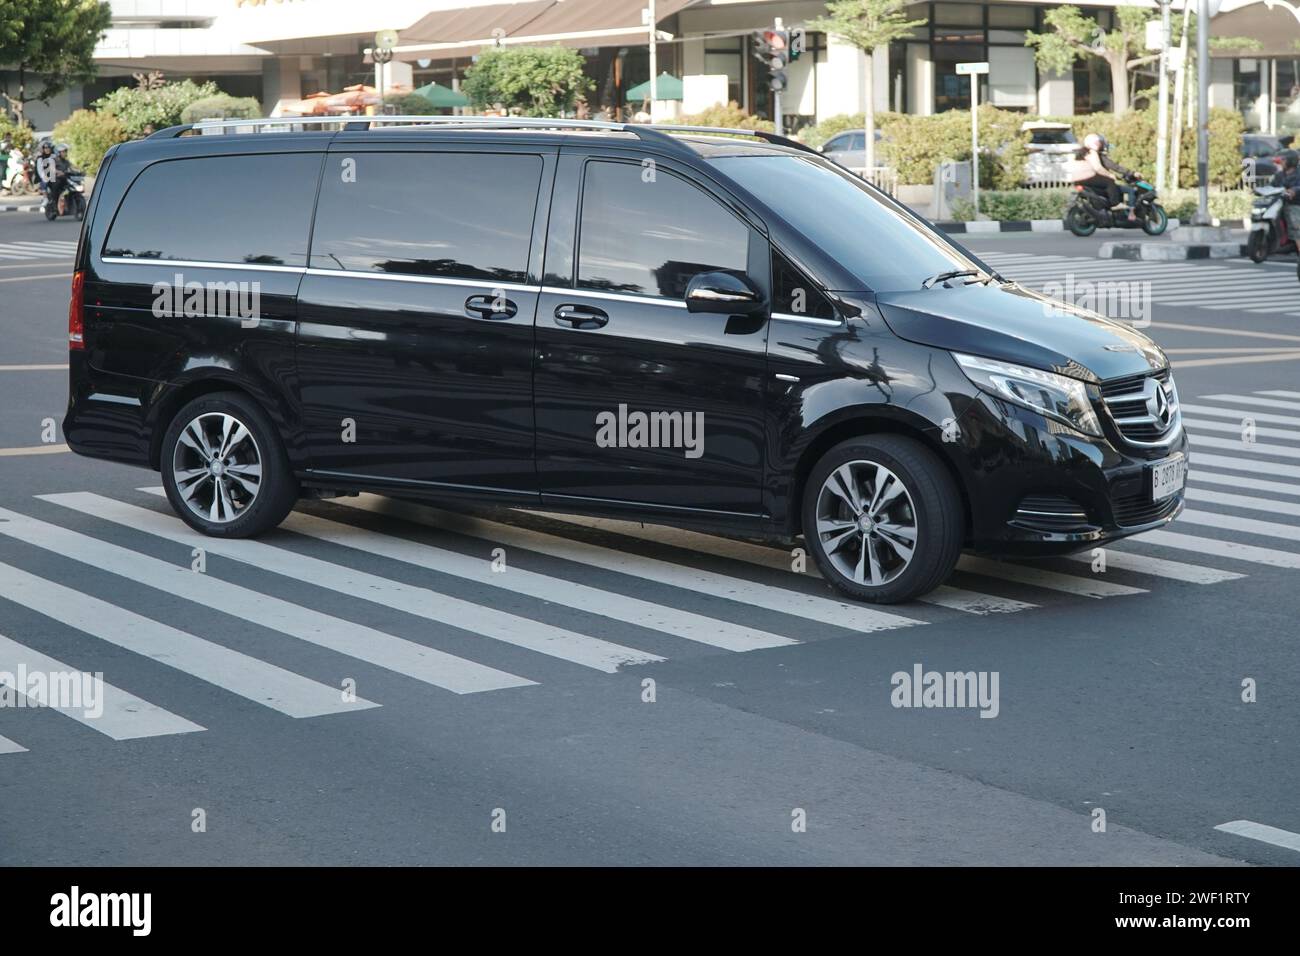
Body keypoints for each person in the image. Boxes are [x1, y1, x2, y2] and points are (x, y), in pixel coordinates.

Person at [1081, 132, 1137, 221]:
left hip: (1087, 181)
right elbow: (1112, 167)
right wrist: (1131, 173)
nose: (1101, 145)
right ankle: (1130, 213)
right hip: (1097, 182)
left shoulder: (1085, 153)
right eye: (1100, 143)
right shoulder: (1096, 155)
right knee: (1129, 190)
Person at [1271, 148, 1300, 240]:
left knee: (1296, 227)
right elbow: (1271, 186)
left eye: (1283, 159)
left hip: (1295, 203)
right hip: (1280, 203)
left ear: (1291, 161)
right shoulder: (1279, 175)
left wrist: (1294, 190)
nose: (1280, 162)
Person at [34, 138, 57, 210]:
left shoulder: (54, 156)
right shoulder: (40, 158)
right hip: (46, 176)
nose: (47, 149)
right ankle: (45, 198)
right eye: (45, 148)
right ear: (43, 149)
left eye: (48, 148)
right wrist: (45, 177)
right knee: (44, 181)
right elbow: (40, 170)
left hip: (56, 175)